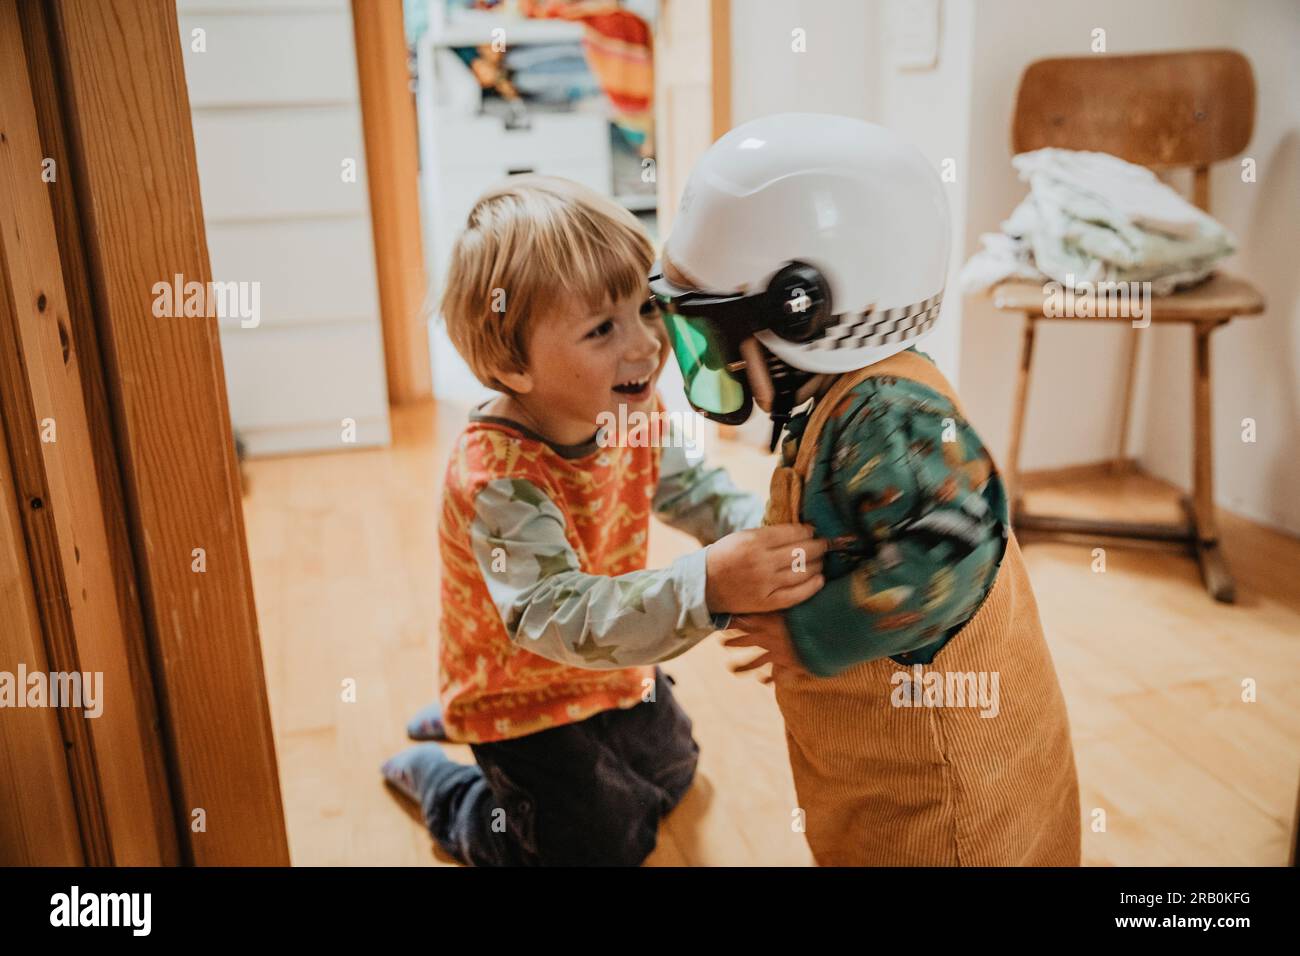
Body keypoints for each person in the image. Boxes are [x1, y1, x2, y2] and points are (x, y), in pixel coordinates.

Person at [651, 113, 1082, 866]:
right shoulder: (853, 396)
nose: (707, 357)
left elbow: (951, 551)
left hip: (942, 808)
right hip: (888, 777)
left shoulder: (884, 414)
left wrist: (812, 633)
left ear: (799, 309)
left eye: (713, 336)